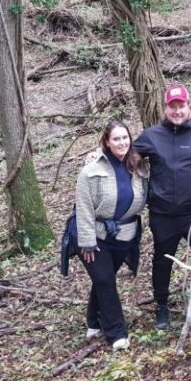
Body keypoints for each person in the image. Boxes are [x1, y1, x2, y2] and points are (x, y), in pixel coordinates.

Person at [133, 83, 191, 330]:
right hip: (162, 214)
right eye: (172, 106)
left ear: (188, 107)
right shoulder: (151, 136)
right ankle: (162, 306)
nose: (177, 111)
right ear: (165, 109)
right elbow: (128, 157)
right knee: (163, 260)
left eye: (181, 106)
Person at [74, 119, 148, 350]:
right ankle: (116, 333)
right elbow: (83, 206)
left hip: (123, 236)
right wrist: (87, 242)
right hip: (93, 236)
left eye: (125, 137)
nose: (122, 142)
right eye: (116, 138)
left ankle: (93, 321)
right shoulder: (91, 170)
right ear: (107, 142)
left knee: (103, 279)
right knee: (105, 280)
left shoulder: (139, 166)